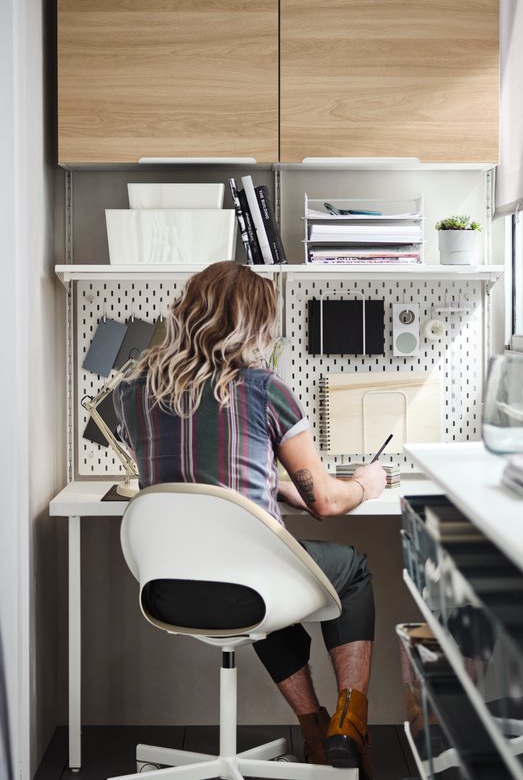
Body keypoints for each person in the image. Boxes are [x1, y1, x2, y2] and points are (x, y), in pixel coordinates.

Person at [113, 261, 386, 777]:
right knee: (347, 569)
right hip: (245, 581)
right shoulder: (263, 388)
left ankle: (312, 730)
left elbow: (196, 481)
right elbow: (327, 503)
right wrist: (366, 484)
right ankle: (348, 726)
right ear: (252, 323)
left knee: (261, 575)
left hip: (169, 588)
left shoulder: (132, 391)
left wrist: (274, 487)